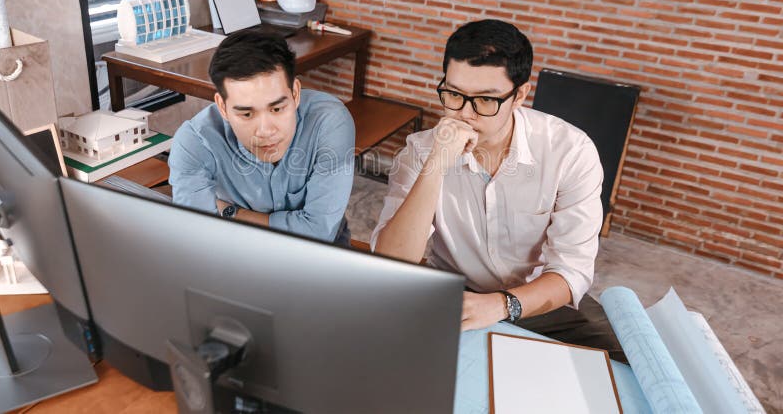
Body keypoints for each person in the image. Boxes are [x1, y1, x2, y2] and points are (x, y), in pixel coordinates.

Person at [372, 19, 625, 362]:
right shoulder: (421, 151)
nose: (465, 113)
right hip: (452, 291)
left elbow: (571, 272)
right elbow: (391, 261)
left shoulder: (570, 152)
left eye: (485, 100)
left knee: (623, 356)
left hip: (537, 298)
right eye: (454, 95)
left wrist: (502, 305)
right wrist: (436, 165)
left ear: (519, 95)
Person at [168, 30, 355, 244]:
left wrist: (231, 213)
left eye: (277, 109)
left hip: (320, 254)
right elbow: (195, 238)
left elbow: (318, 234)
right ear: (222, 106)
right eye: (247, 114)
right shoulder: (195, 141)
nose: (265, 131)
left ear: (295, 94)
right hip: (236, 249)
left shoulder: (330, 122)